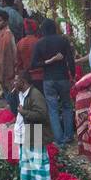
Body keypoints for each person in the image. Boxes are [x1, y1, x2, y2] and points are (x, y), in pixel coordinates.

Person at [33, 20, 76, 149]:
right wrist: (72, 75)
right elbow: (70, 59)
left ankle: (59, 139)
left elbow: (34, 64)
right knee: (67, 106)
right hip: (63, 77)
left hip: (48, 79)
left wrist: (47, 62)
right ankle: (69, 135)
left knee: (53, 109)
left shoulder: (39, 43)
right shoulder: (63, 41)